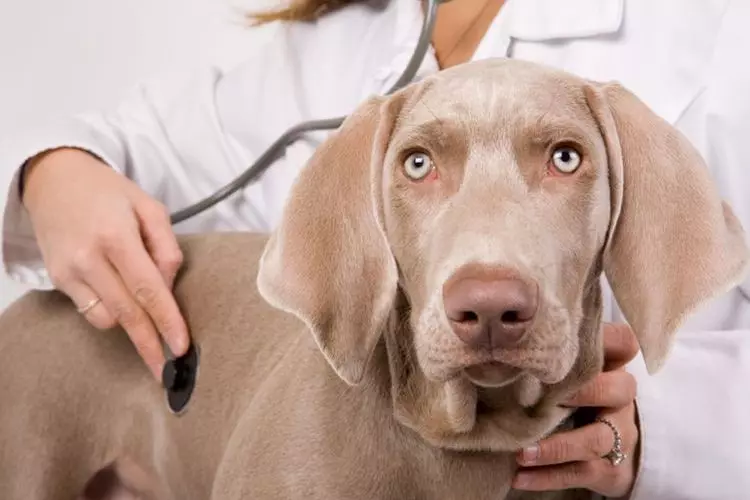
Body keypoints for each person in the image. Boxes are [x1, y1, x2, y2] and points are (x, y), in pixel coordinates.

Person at [1, 0, 748, 497]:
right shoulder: (350, 36)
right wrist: (53, 171)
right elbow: (144, 143)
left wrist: (666, 429)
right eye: (417, 164)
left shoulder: (712, 29)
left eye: (562, 161)